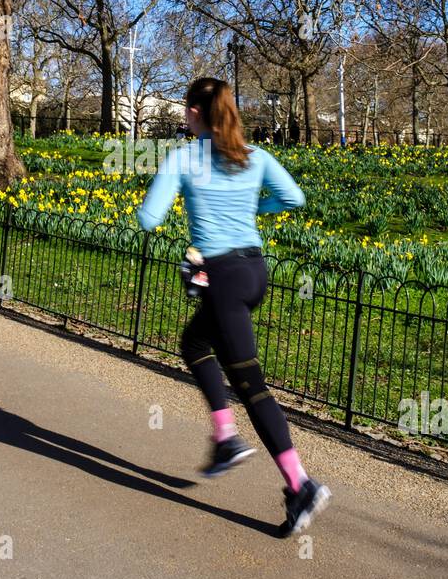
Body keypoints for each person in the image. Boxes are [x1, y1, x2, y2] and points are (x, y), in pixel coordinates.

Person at [137, 77, 331, 536]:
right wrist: (247, 211)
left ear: (197, 113)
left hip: (221, 278)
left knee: (251, 385)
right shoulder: (255, 157)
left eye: (186, 110)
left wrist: (188, 201)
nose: (184, 117)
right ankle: (225, 438)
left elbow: (148, 218)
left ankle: (299, 483)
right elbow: (293, 197)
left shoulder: (184, 158)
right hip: (253, 273)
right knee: (195, 342)